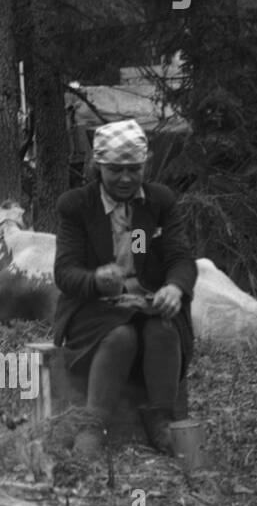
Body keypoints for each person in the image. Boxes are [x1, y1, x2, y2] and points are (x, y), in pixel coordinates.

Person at [52, 119, 197, 457]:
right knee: (121, 336)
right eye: (116, 170)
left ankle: (160, 420)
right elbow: (65, 272)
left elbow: (180, 257)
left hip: (145, 302)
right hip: (94, 307)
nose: (126, 178)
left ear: (144, 166)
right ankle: (92, 425)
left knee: (163, 328)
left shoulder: (158, 202)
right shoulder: (77, 206)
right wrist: (96, 279)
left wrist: (174, 288)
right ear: (98, 166)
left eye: (134, 169)